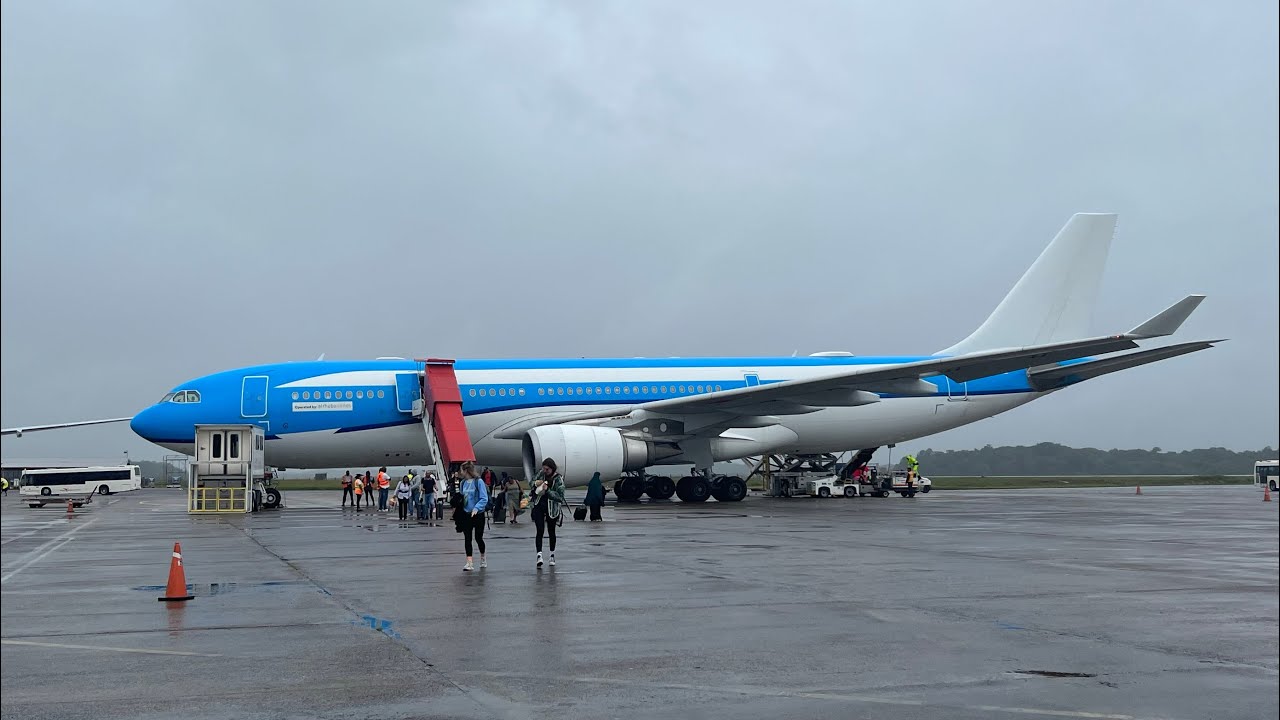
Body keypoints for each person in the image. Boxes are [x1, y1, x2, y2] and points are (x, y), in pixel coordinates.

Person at [530, 457, 566, 567]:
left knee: (551, 531)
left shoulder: (558, 479)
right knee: (539, 530)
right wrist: (536, 483)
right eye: (544, 469)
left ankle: (552, 554)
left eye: (547, 470)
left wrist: (548, 490)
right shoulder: (541, 474)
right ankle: (539, 555)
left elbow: (560, 496)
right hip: (539, 505)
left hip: (552, 508)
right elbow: (531, 482)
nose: (545, 471)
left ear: (552, 469)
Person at [455, 462, 489, 571]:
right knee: (467, 538)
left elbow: (484, 498)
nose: (461, 472)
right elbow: (461, 496)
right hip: (466, 514)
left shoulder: (478, 482)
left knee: (478, 538)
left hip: (477, 514)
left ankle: (483, 557)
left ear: (467, 470)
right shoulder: (463, 483)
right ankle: (469, 562)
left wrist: (477, 508)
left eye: (462, 470)